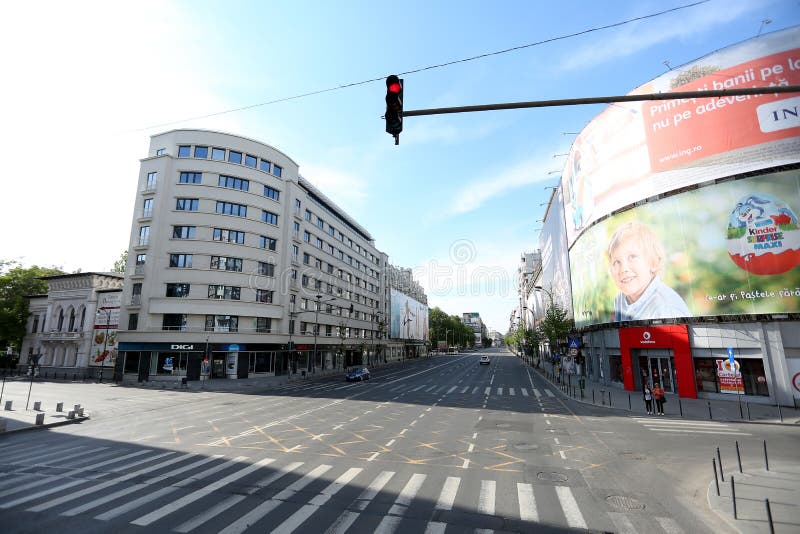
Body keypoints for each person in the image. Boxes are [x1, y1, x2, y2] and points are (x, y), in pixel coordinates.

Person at [607, 221, 692, 322]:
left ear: (653, 263)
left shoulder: (666, 309)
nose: (623, 268)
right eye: (616, 262)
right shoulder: (620, 299)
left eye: (632, 257)